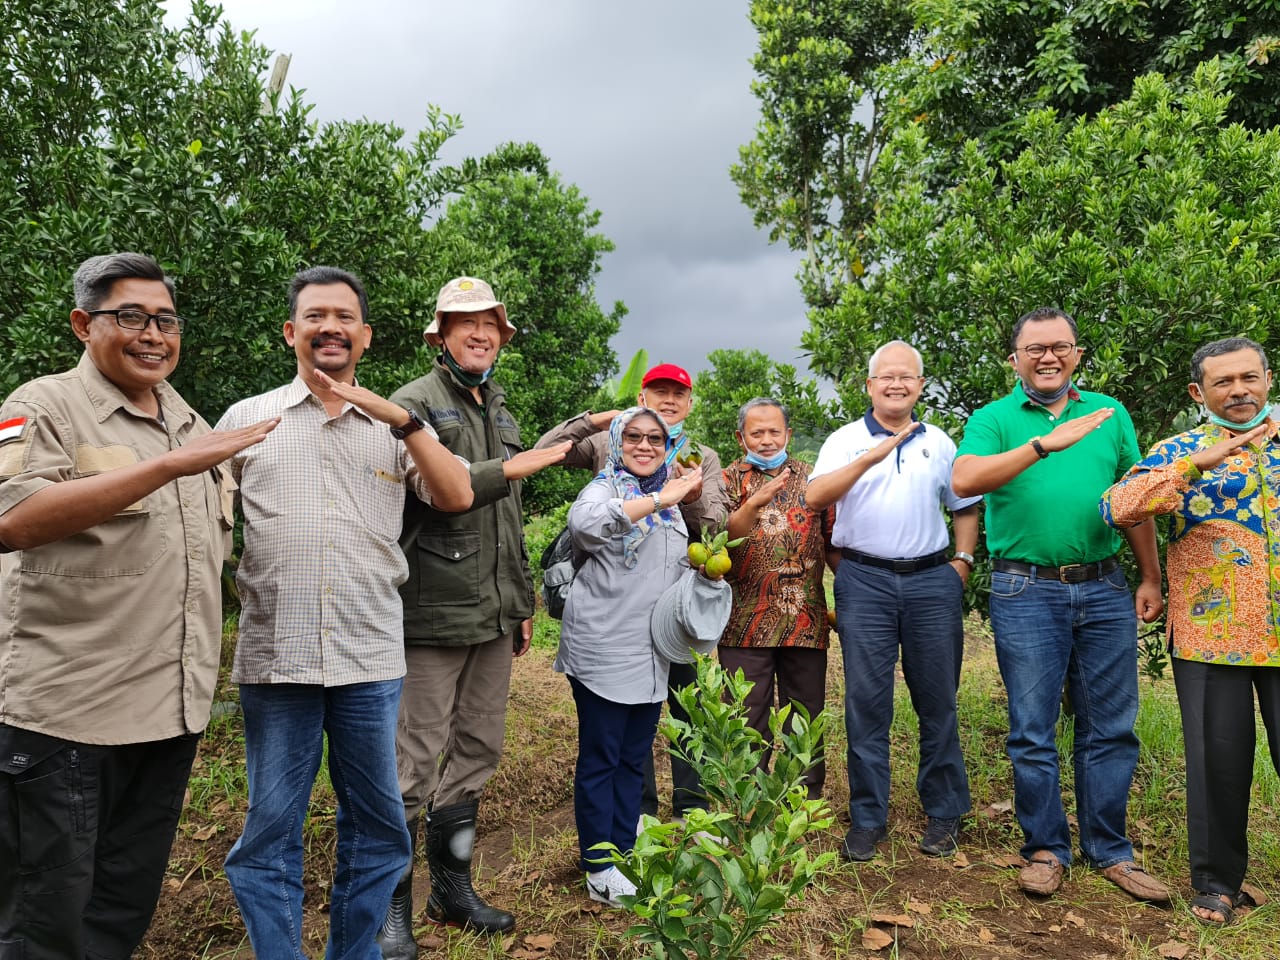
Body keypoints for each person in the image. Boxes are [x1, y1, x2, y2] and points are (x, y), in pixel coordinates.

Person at [0, 252, 277, 959]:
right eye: (130, 317)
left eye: (165, 319)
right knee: (44, 916)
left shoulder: (191, 423)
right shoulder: (41, 407)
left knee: (122, 908)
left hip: (165, 714)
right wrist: (161, 469)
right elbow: (13, 517)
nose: (153, 333)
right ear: (82, 324)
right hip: (67, 719)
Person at [218, 266, 474, 960]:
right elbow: (202, 522)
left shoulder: (392, 428)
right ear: (291, 331)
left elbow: (454, 494)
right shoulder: (246, 419)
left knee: (379, 828)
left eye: (343, 317)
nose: (328, 327)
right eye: (314, 315)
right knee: (269, 829)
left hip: (369, 659)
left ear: (364, 336)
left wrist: (407, 420)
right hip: (278, 659)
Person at [951, 307, 1168, 901]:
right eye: (1035, 348)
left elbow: (1136, 501)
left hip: (1103, 587)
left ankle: (1110, 851)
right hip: (1026, 590)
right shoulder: (994, 418)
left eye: (1060, 347)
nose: (1048, 357)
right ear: (1015, 358)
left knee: (1111, 725)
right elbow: (966, 481)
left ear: (1076, 354)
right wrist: (1044, 445)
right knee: (1032, 727)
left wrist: (1149, 577)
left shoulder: (1109, 413)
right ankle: (1045, 848)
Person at [378, 277, 568, 952]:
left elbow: (507, 520)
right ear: (441, 336)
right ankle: (389, 907)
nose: (480, 333)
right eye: (466, 325)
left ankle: (452, 891)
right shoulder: (413, 406)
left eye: (490, 324)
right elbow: (441, 494)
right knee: (413, 762)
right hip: (430, 613)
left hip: (491, 613)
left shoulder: (497, 407)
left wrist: (518, 603)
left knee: (478, 749)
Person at [1102, 336, 1280, 925]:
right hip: (1212, 636)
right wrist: (1189, 467)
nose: (1238, 391)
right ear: (1197, 392)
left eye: (1248, 378)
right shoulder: (1179, 449)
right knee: (1218, 763)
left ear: (1268, 379)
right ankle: (1217, 884)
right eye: (1223, 382)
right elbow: (1117, 507)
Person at [807, 342, 981, 861]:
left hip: (932, 581)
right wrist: (871, 456)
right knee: (866, 703)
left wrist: (963, 563)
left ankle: (945, 811)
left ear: (920, 386)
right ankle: (868, 818)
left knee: (937, 699)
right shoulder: (844, 441)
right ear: (869, 385)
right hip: (864, 581)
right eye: (886, 378)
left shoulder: (942, 442)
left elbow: (966, 506)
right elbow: (816, 499)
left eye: (906, 378)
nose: (896, 385)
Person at [536, 362, 727, 823]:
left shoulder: (699, 455)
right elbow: (543, 451)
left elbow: (714, 525)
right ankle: (636, 814)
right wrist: (601, 420)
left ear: (689, 403)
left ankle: (692, 807)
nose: (668, 400)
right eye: (658, 391)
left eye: (677, 394)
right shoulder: (612, 441)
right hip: (615, 609)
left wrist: (689, 488)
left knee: (688, 705)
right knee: (623, 715)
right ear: (641, 396)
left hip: (674, 608)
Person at [555, 408, 703, 907]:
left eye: (655, 439)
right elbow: (588, 526)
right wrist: (660, 497)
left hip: (653, 650)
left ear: (667, 445)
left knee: (633, 756)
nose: (644, 445)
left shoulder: (671, 500)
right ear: (618, 442)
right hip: (603, 646)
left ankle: (622, 846)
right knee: (602, 757)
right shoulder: (605, 489)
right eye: (635, 436)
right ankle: (598, 864)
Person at [718, 398, 835, 800]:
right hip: (742, 620)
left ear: (788, 434)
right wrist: (753, 503)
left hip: (805, 618)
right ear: (741, 437)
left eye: (774, 432)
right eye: (756, 433)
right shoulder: (726, 481)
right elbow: (721, 544)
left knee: (805, 713)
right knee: (746, 713)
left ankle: (805, 797)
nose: (766, 440)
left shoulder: (813, 478)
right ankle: (747, 799)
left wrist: (853, 597)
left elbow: (833, 541)